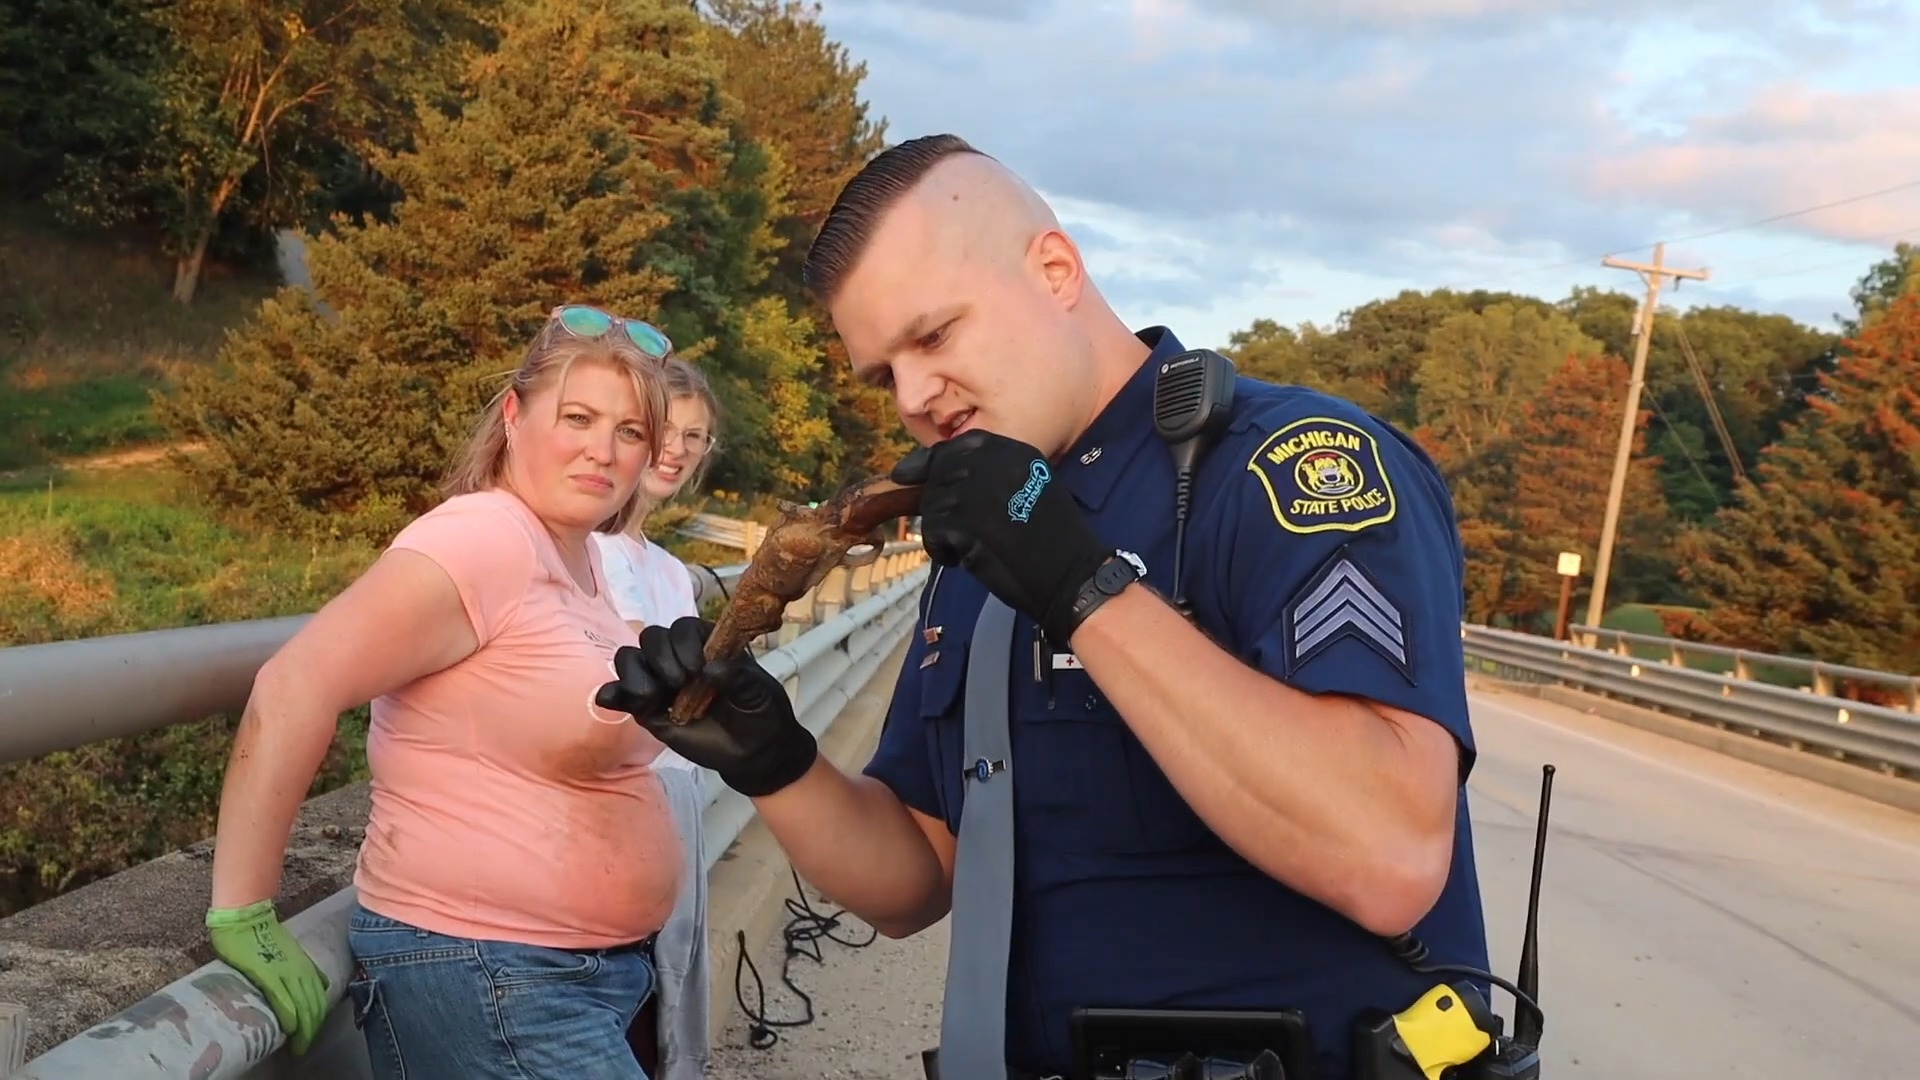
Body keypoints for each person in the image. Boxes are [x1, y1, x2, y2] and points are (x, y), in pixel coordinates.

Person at [596, 136, 1491, 1080]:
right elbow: (915, 878)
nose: (913, 397)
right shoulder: (982, 529)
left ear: (1055, 270)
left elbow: (1388, 853)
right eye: (881, 374)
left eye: (934, 336)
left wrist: (1080, 585)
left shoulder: (1287, 469)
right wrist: (773, 762)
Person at [205, 304, 686, 1080]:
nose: (602, 450)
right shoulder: (482, 537)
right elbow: (294, 684)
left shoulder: (583, 562)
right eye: (577, 417)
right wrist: (244, 909)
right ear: (513, 417)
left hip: (580, 977)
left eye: (629, 432)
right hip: (488, 973)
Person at [590, 356, 724, 1080]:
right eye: (667, 428)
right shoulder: (590, 549)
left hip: (677, 796)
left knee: (665, 1005)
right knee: (632, 1001)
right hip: (620, 803)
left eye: (696, 437)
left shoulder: (671, 570)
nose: (678, 448)